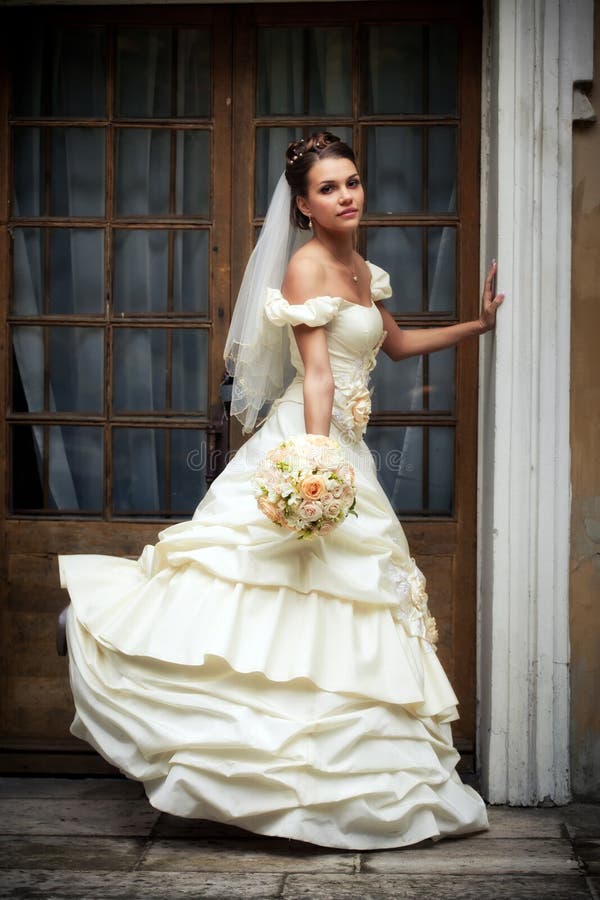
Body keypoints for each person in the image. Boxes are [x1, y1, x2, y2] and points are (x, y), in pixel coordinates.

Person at [58, 132, 504, 850]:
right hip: (306, 440)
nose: (346, 195)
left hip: (341, 448)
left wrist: (478, 325)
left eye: (351, 181)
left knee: (335, 605)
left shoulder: (362, 268)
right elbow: (319, 375)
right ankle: (110, 642)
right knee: (269, 590)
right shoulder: (304, 267)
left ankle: (327, 785)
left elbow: (394, 345)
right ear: (302, 205)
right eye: (328, 188)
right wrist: (315, 464)